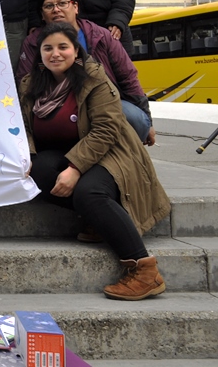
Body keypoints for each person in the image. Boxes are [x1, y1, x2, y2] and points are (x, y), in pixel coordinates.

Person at [19, 22, 170, 301]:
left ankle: (144, 270)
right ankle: (99, 218)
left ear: (76, 51)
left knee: (90, 193)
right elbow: (24, 127)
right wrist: (27, 154)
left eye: (63, 47)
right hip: (67, 151)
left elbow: (106, 130)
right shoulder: (30, 84)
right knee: (38, 172)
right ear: (39, 53)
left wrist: (75, 168)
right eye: (47, 48)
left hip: (112, 152)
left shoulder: (94, 78)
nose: (55, 53)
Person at [17, 0, 154, 145]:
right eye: (49, 6)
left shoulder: (101, 36)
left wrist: (147, 118)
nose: (56, 10)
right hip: (54, 104)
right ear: (42, 14)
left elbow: (128, 77)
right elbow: (25, 83)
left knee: (136, 119)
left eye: (62, 3)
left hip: (102, 102)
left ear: (75, 7)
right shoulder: (33, 43)